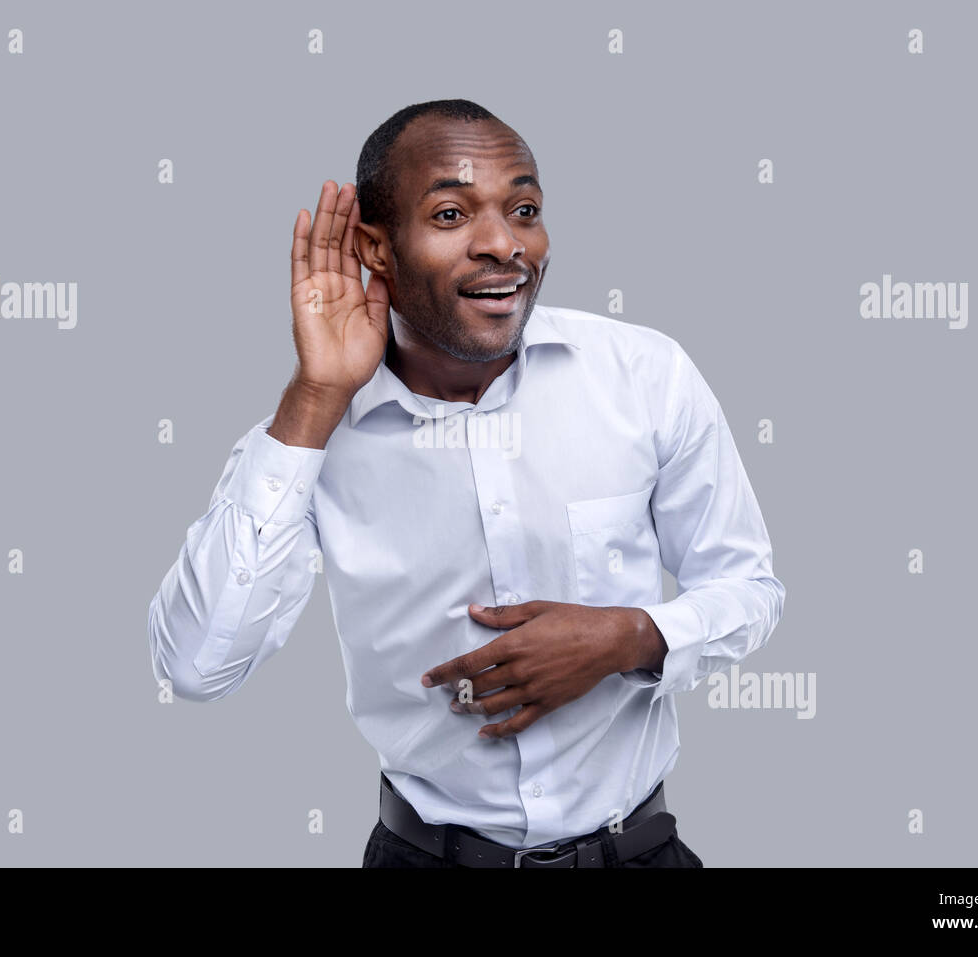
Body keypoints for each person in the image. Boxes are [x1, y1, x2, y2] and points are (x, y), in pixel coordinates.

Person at [147, 99, 786, 867]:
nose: (504, 245)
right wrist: (314, 400)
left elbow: (749, 587)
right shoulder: (313, 437)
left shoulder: (645, 377)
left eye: (524, 209)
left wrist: (627, 636)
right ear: (376, 250)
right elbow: (194, 665)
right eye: (452, 214)